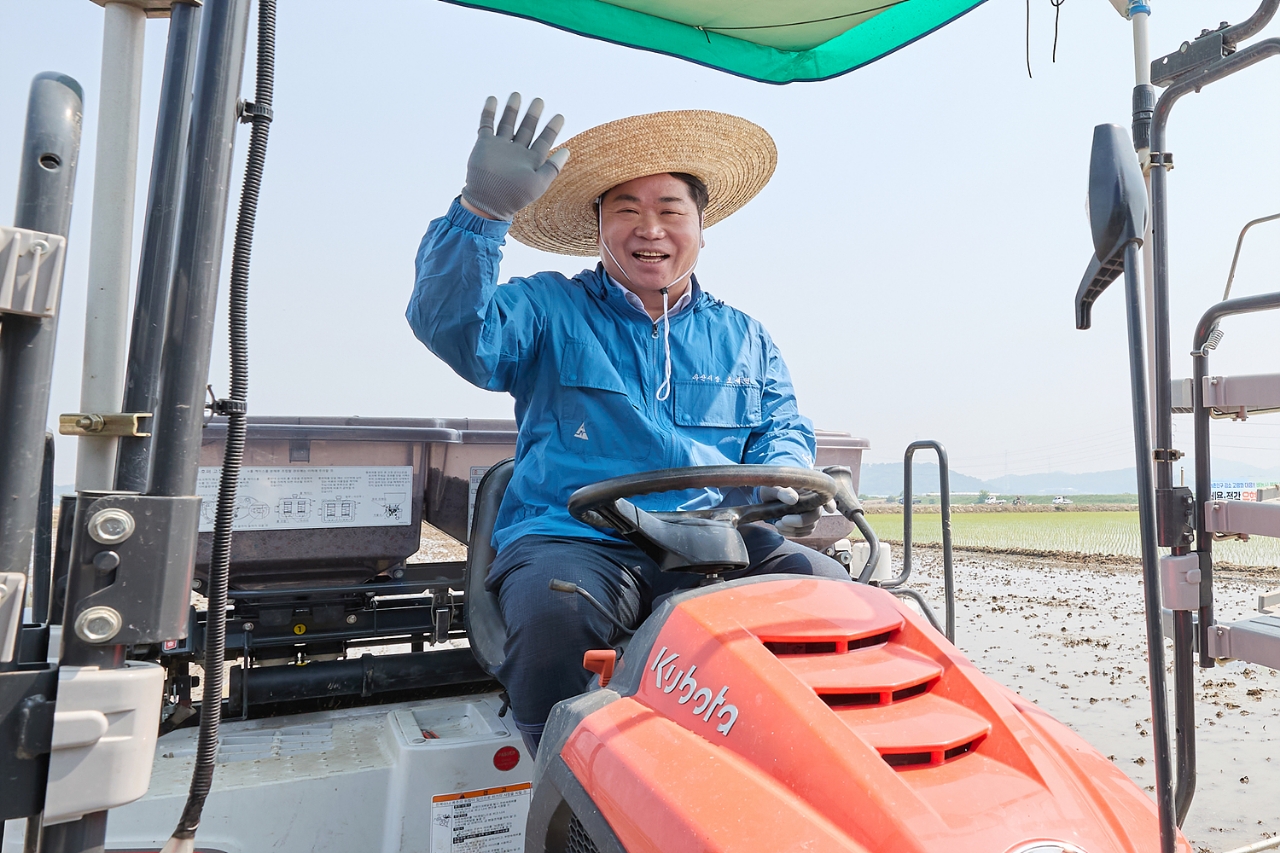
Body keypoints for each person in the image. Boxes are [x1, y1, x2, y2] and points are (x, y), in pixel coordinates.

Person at [408, 94, 849, 752]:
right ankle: (566, 782)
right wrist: (481, 213)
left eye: (670, 211)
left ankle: (791, 771)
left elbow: (782, 429)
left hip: (716, 539)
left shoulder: (745, 338)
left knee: (836, 598)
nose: (650, 230)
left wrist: (788, 480)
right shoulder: (548, 308)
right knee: (553, 613)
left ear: (702, 228)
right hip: (576, 540)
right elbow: (456, 329)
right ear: (598, 229)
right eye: (627, 211)